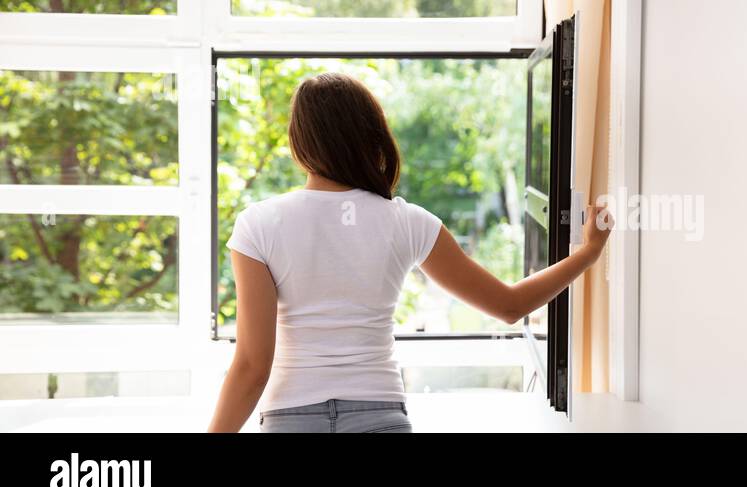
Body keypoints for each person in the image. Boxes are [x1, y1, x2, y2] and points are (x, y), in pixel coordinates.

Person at [206, 72, 610, 433]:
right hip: (380, 414)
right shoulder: (407, 222)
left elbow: (253, 365)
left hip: (290, 416)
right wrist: (588, 252)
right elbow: (509, 305)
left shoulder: (258, 224)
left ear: (299, 141)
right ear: (371, 135)